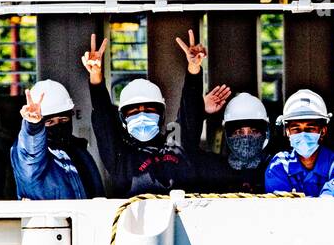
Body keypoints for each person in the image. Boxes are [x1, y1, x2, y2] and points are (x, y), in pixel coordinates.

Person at [80, 30, 231, 196]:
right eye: (134, 111)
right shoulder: (120, 157)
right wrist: (96, 78)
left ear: (162, 114)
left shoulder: (177, 145)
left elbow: (189, 116)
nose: (142, 115)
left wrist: (194, 68)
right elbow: (104, 122)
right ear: (123, 118)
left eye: (150, 109)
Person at [11, 79, 106, 200]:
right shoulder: (28, 158)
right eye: (50, 122)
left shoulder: (80, 151)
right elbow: (31, 152)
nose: (58, 126)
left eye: (63, 120)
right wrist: (33, 126)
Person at [263, 88, 334, 197]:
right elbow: (282, 209)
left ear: (323, 131)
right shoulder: (279, 166)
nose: (303, 135)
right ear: (287, 132)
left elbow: (329, 208)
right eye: (296, 129)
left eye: (310, 128)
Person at [218, 92, 273, 193]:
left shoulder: (275, 169)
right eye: (239, 132)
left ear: (265, 134)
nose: (246, 138)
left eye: (254, 131)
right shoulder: (216, 170)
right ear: (227, 135)